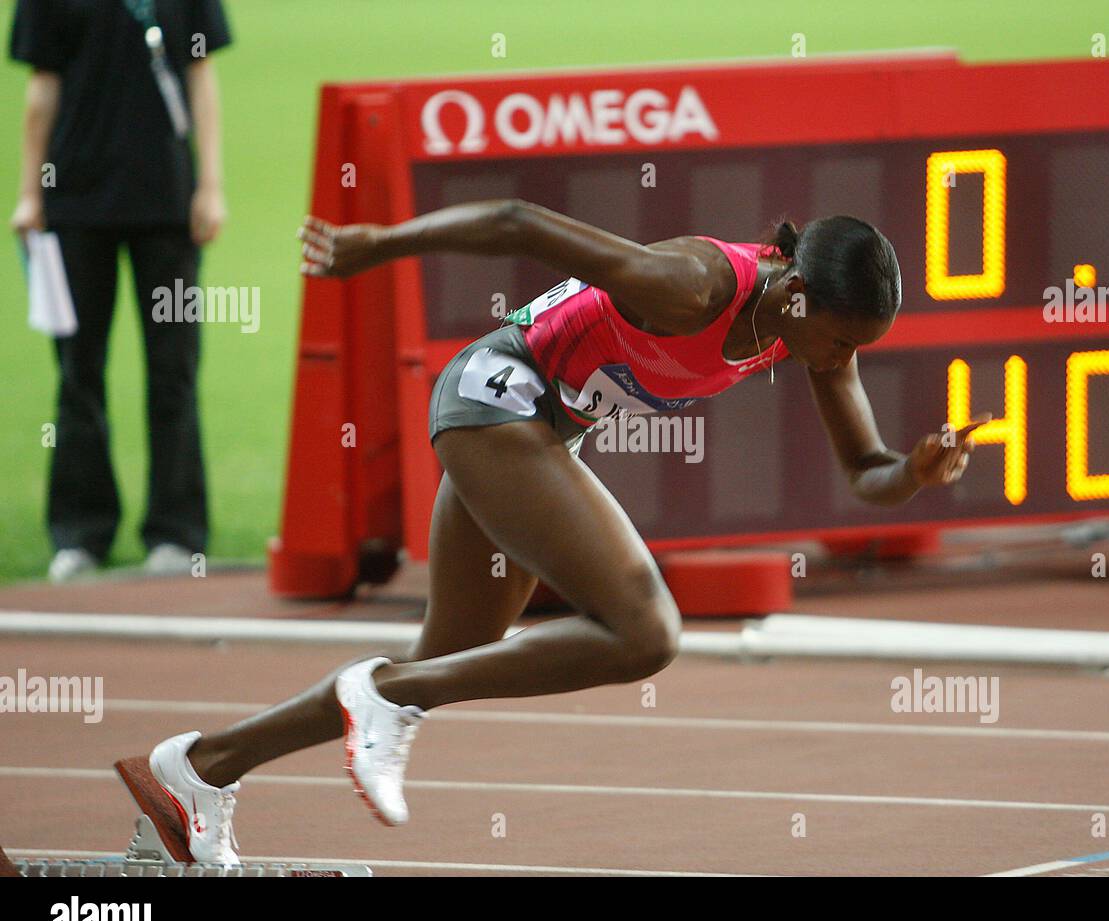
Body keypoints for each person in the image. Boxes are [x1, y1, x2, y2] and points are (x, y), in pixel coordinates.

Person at [142, 200, 983, 864]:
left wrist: (916, 468)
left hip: (536, 430)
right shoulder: (693, 282)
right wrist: (378, 245)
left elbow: (865, 469)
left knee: (444, 657)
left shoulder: (811, 334)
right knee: (648, 632)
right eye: (837, 340)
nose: (835, 359)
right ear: (799, 293)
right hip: (496, 399)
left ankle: (202, 766)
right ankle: (387, 699)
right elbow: (518, 222)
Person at [8, 0, 232, 582]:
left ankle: (177, 533)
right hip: (75, 204)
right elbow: (42, 90)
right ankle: (80, 534)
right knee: (78, 372)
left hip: (168, 204)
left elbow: (201, 76)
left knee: (174, 369)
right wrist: (31, 193)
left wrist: (210, 185)